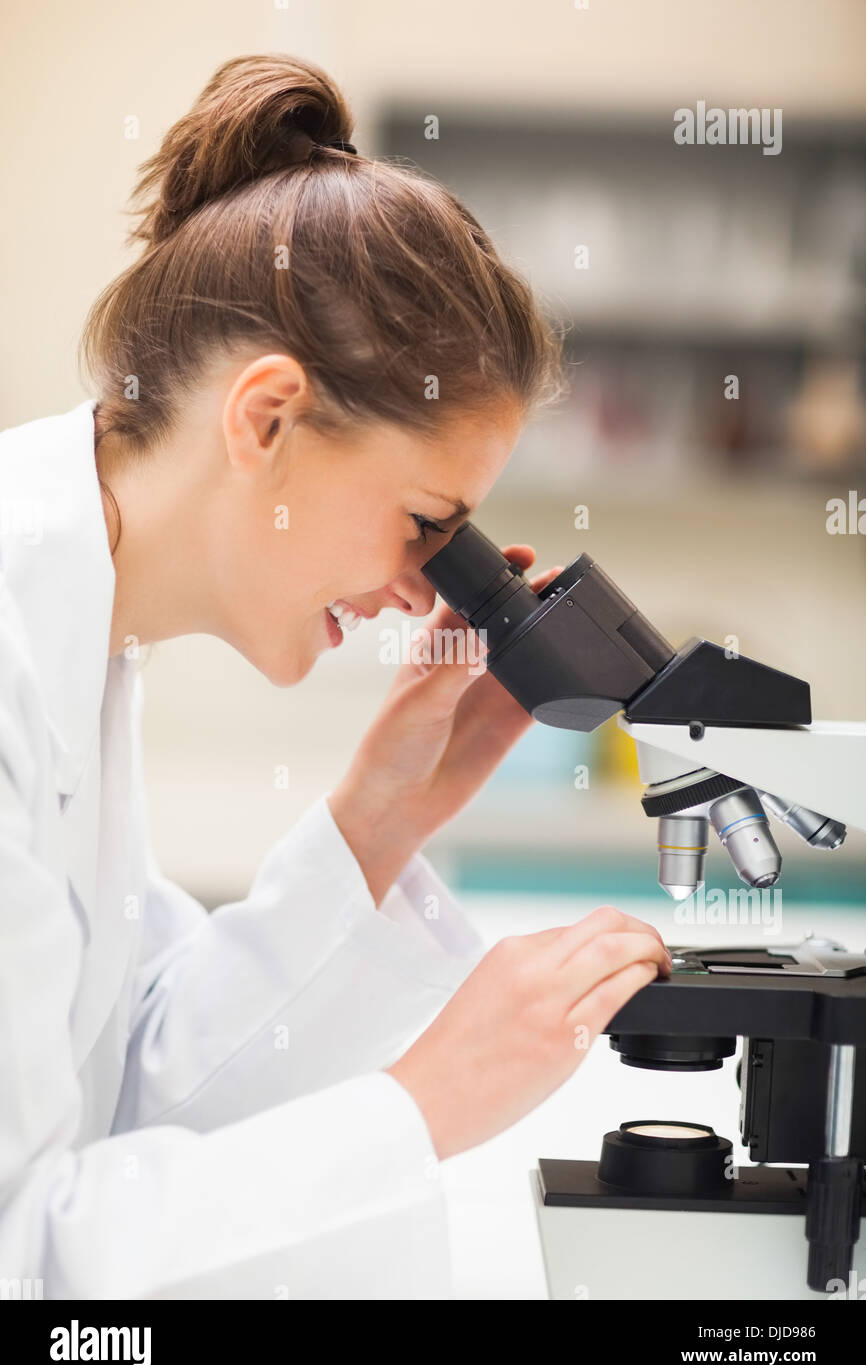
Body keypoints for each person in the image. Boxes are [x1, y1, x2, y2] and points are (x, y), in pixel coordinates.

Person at [0, 53, 670, 1299]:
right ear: (265, 420)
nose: (428, 588)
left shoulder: (79, 638)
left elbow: (129, 1088)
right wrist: (428, 1100)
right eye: (425, 520)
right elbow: (28, 1257)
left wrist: (383, 816)